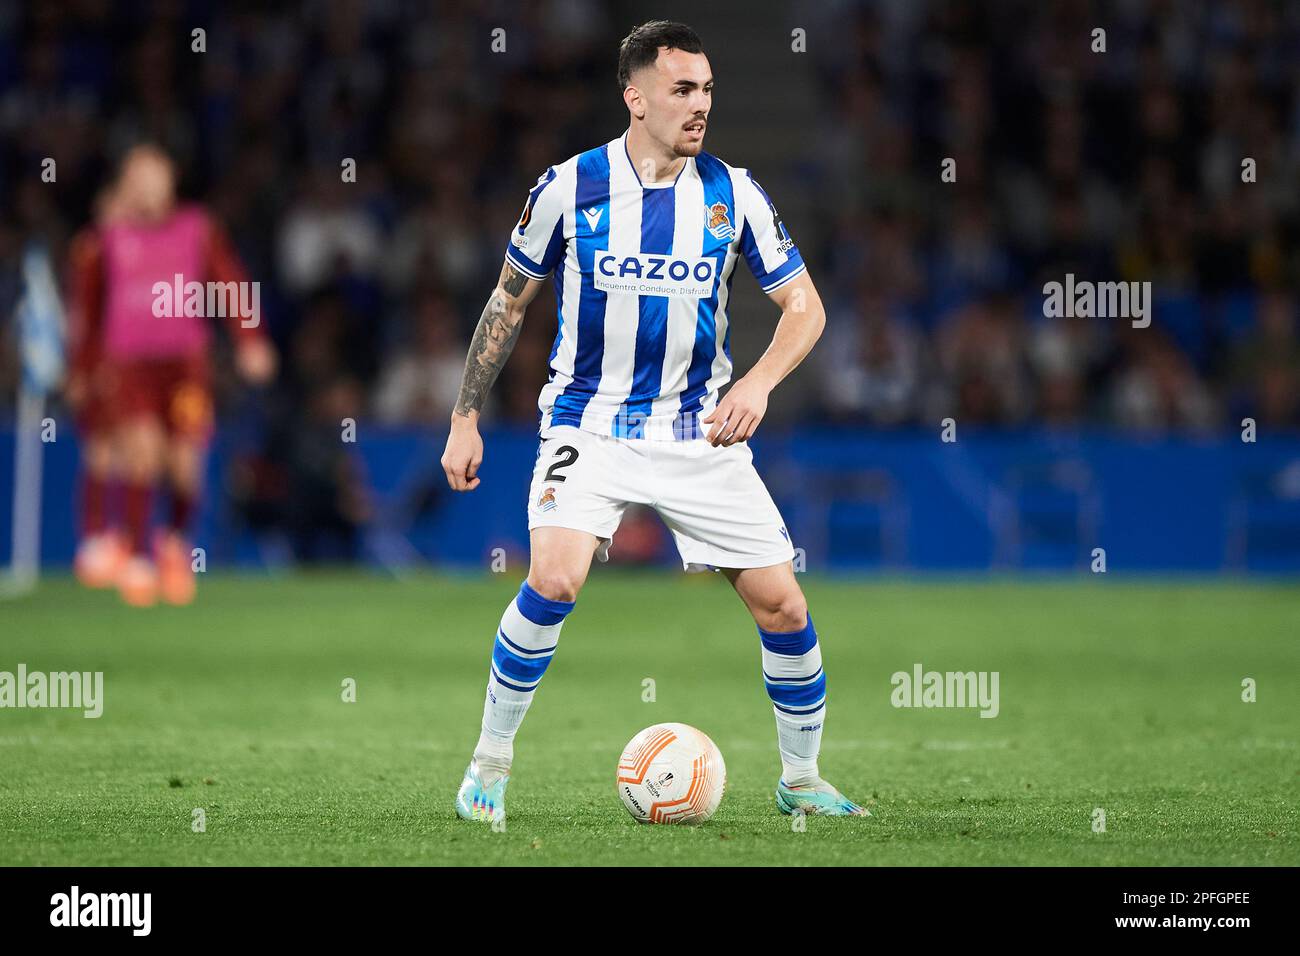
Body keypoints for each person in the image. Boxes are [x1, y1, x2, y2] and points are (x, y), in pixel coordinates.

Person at [441, 21, 866, 821]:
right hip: (588, 422)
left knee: (785, 608)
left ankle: (801, 780)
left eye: (706, 89)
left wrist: (762, 382)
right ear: (635, 98)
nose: (699, 105)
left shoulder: (733, 193)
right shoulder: (568, 187)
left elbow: (803, 307)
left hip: (697, 432)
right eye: (682, 90)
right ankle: (486, 769)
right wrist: (465, 418)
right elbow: (507, 302)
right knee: (554, 579)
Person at [67, 144, 276, 606]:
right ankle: (139, 558)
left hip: (185, 368)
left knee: (185, 469)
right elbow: (88, 307)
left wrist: (250, 339)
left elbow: (231, 284)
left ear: (171, 180)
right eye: (136, 176)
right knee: (141, 455)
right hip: (130, 367)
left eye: (154, 175)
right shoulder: (109, 237)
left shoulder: (196, 229)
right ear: (125, 183)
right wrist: (81, 368)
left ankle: (174, 544)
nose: (146, 186)